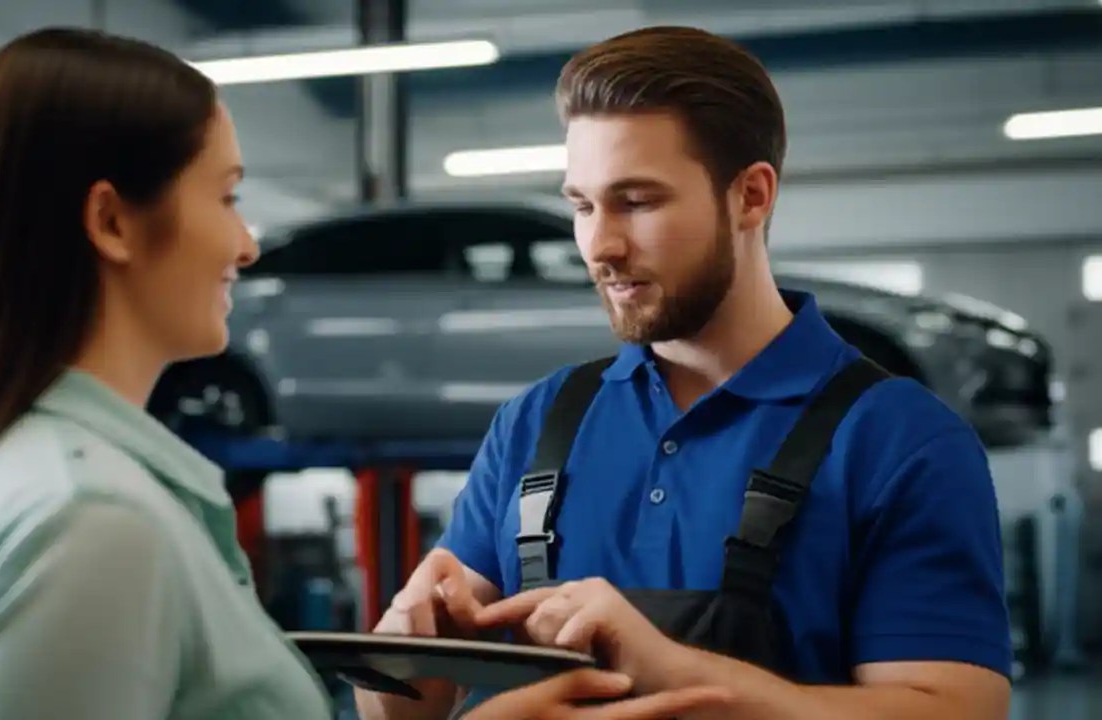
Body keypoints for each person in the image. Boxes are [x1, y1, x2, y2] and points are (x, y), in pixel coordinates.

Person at [0, 27, 731, 720]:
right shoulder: (91, 524)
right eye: (227, 195)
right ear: (113, 223)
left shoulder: (58, 489)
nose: (246, 244)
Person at [355, 25, 1012, 720]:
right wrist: (401, 653)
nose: (600, 246)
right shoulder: (536, 423)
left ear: (751, 196)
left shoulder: (900, 440)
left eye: (637, 202)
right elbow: (399, 711)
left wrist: (676, 672)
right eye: (583, 205)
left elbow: (957, 711)